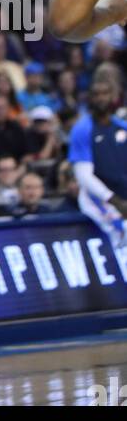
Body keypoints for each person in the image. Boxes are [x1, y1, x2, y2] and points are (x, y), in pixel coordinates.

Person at [67, 77, 127, 277]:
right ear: (89, 98)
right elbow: (83, 175)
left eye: (105, 93)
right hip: (99, 198)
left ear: (114, 97)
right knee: (118, 242)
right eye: (96, 94)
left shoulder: (121, 127)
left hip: (123, 194)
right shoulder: (83, 129)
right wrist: (114, 199)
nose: (101, 98)